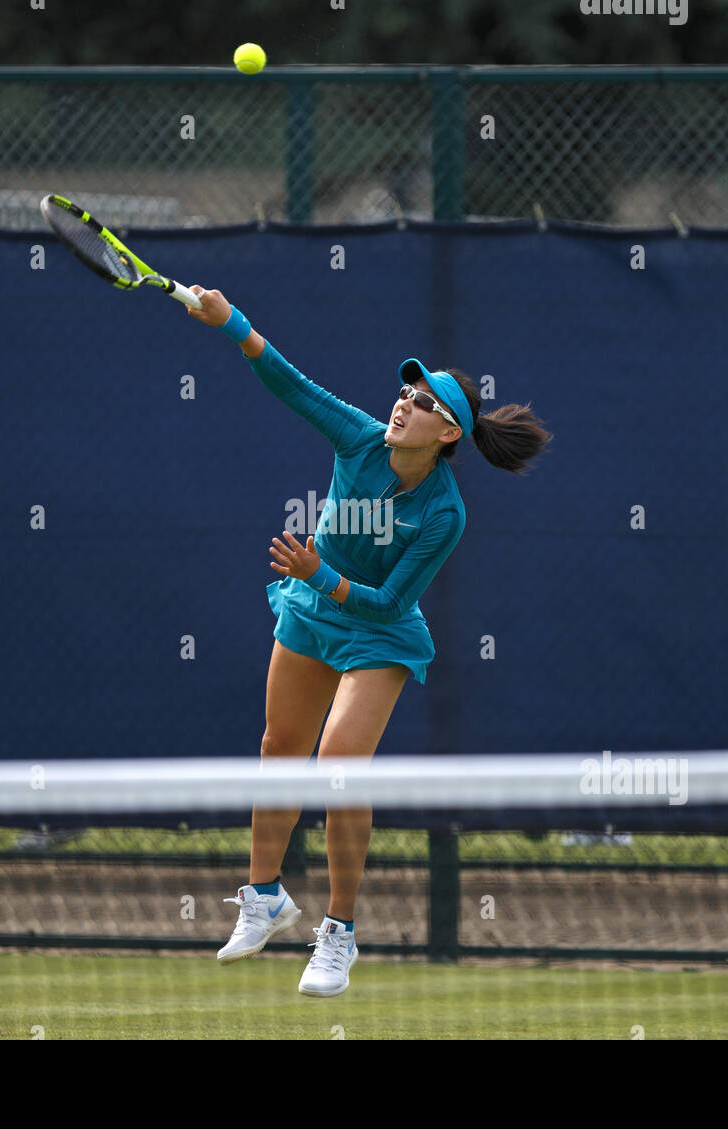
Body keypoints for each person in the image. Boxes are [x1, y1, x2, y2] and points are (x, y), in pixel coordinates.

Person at [187, 286, 550, 996]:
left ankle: (339, 933)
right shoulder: (358, 437)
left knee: (338, 764)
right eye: (406, 389)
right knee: (279, 747)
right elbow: (288, 381)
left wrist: (319, 573)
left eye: (421, 401)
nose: (403, 400)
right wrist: (231, 321)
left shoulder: (445, 513)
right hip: (313, 603)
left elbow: (388, 603)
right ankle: (264, 895)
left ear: (447, 433)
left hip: (376, 628)